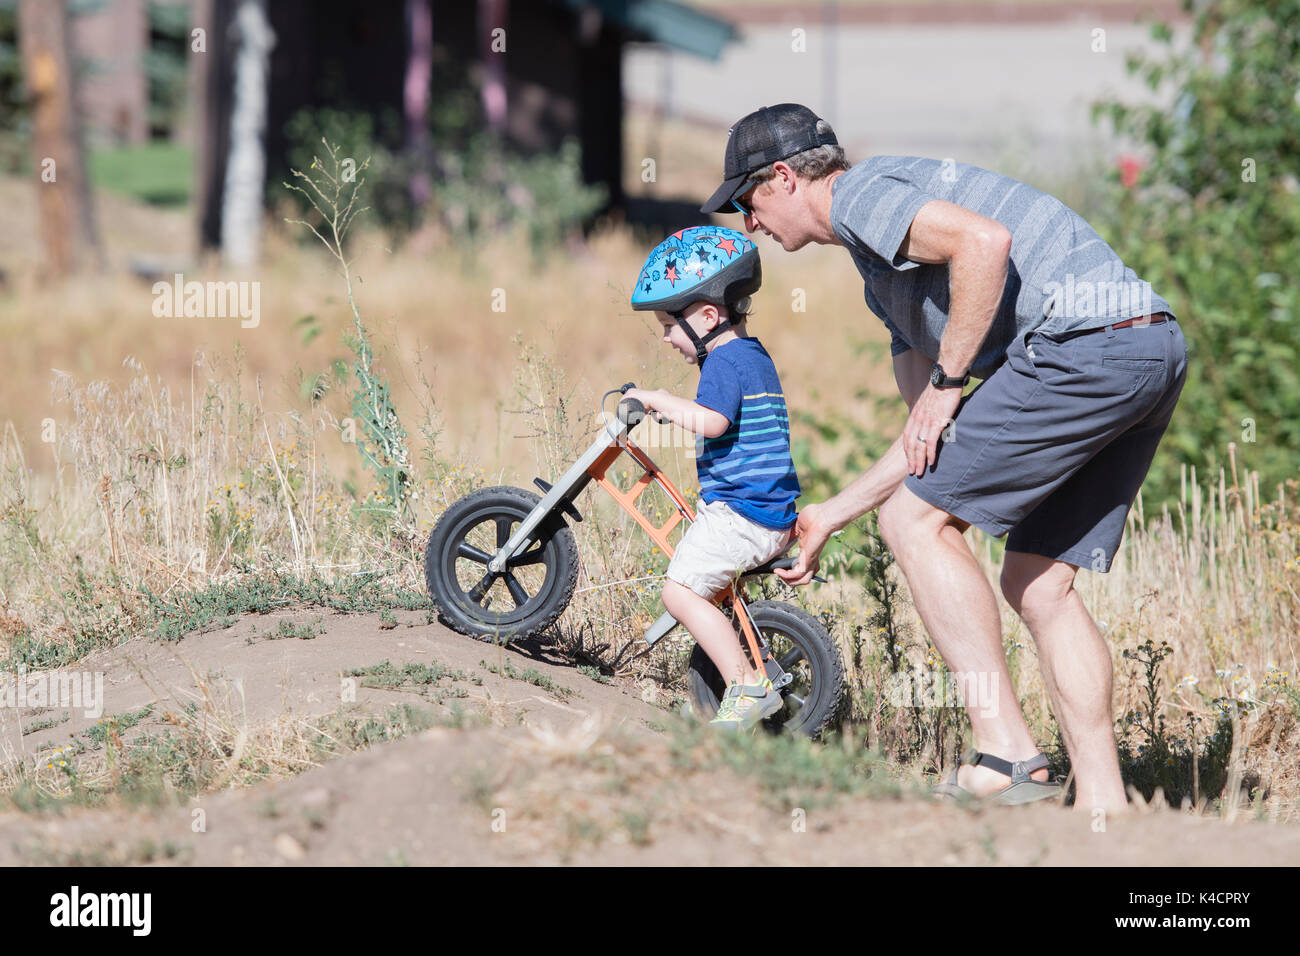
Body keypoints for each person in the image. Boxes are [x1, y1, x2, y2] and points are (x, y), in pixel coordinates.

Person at [701, 104, 1186, 809]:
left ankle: (1007, 757)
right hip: (1148, 344)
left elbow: (984, 244)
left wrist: (950, 380)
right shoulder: (883, 283)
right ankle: (1106, 805)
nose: (749, 222)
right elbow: (927, 439)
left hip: (1084, 344)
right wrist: (830, 516)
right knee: (1039, 584)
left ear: (784, 178)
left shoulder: (861, 194)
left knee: (912, 525)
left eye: (748, 201)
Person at [624, 225, 802, 731]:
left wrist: (656, 399)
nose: (665, 337)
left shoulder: (722, 361)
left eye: (668, 323)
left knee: (679, 593)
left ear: (707, 316)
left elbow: (713, 421)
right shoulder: (752, 356)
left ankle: (747, 687)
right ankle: (740, 680)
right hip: (767, 511)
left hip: (743, 515)